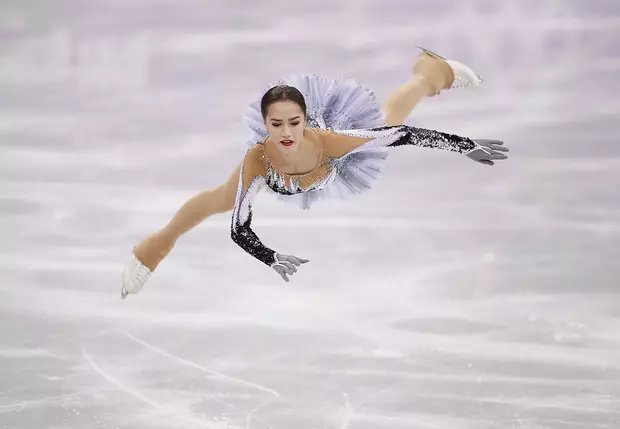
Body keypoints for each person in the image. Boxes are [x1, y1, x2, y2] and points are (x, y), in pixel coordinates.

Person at [121, 47, 508, 298]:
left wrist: (464, 145)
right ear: (265, 123)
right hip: (278, 177)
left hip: (332, 164)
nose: (286, 133)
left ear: (305, 120)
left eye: (294, 122)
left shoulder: (328, 141)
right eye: (276, 125)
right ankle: (154, 246)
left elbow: (402, 135)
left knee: (389, 120)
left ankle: (431, 73)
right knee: (223, 198)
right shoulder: (259, 158)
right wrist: (269, 256)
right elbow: (239, 227)